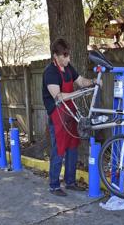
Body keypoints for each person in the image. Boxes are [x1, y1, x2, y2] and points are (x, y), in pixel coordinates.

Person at [42, 38, 99, 196]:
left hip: (71, 113)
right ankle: (54, 185)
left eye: (68, 55)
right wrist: (78, 93)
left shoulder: (68, 68)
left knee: (73, 148)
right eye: (64, 56)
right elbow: (58, 97)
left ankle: (70, 182)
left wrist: (94, 81)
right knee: (59, 150)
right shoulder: (50, 72)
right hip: (57, 115)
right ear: (56, 55)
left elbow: (81, 82)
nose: (68, 59)